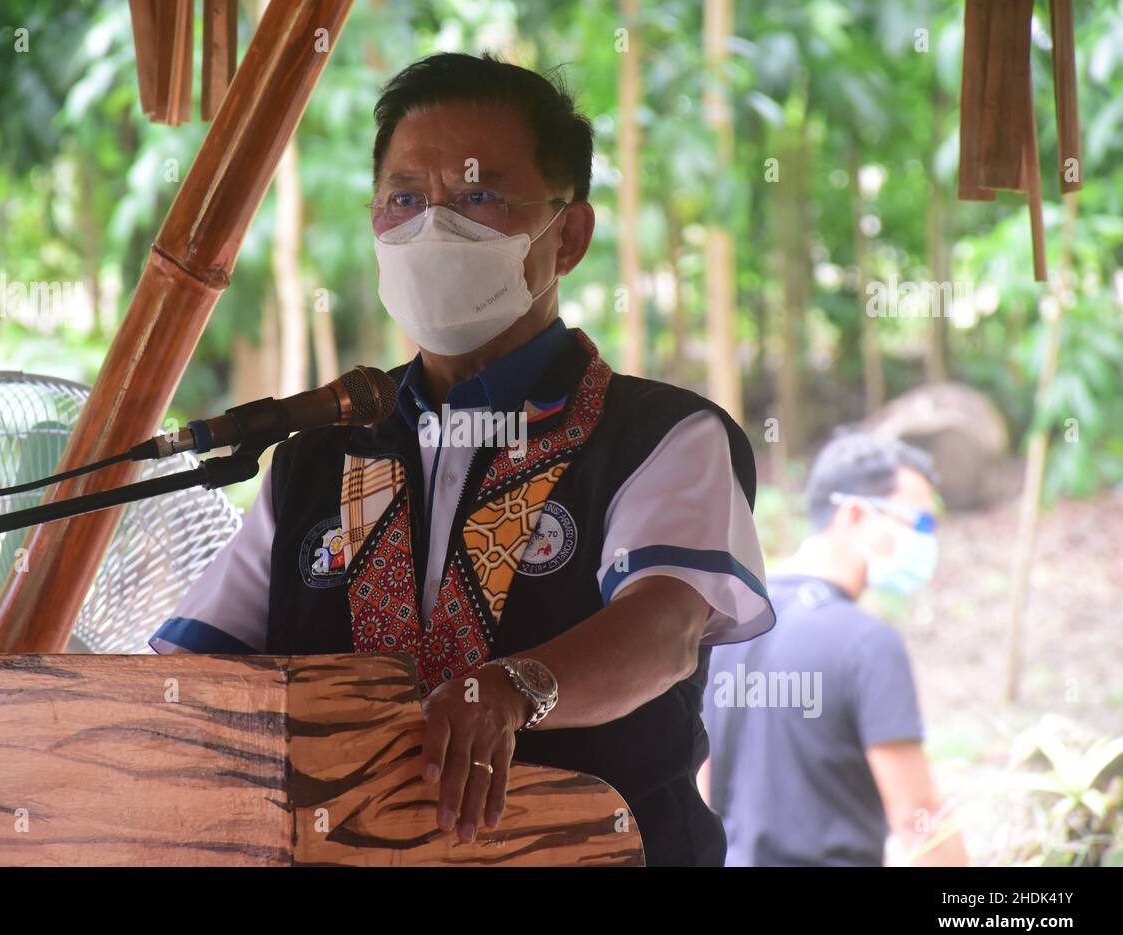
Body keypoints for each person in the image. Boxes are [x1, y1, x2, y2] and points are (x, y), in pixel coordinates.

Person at [149, 52, 774, 865]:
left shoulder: (659, 436)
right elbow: (196, 677)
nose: (433, 228)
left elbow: (664, 629)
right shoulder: (316, 460)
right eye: (406, 199)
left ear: (570, 235)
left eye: (479, 198)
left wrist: (514, 689)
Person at [699, 432, 967, 866]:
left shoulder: (723, 626)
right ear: (857, 514)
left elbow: (701, 789)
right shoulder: (867, 644)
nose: (927, 541)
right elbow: (919, 821)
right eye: (920, 523)